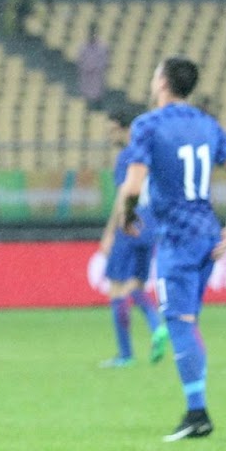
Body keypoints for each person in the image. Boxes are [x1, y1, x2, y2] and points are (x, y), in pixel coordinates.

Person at [109, 57, 226, 441]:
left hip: (176, 240)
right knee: (188, 322)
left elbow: (134, 183)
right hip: (208, 235)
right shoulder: (207, 123)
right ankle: (196, 407)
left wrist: (126, 215)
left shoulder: (148, 125)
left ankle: (197, 413)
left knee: (180, 324)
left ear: (162, 82)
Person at [97, 110, 166, 368]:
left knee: (116, 289)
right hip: (151, 227)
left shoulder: (128, 156)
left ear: (126, 130)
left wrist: (110, 233)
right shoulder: (154, 154)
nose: (110, 134)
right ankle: (156, 325)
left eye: (113, 128)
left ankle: (125, 354)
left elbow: (123, 196)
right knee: (135, 286)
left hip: (130, 225)